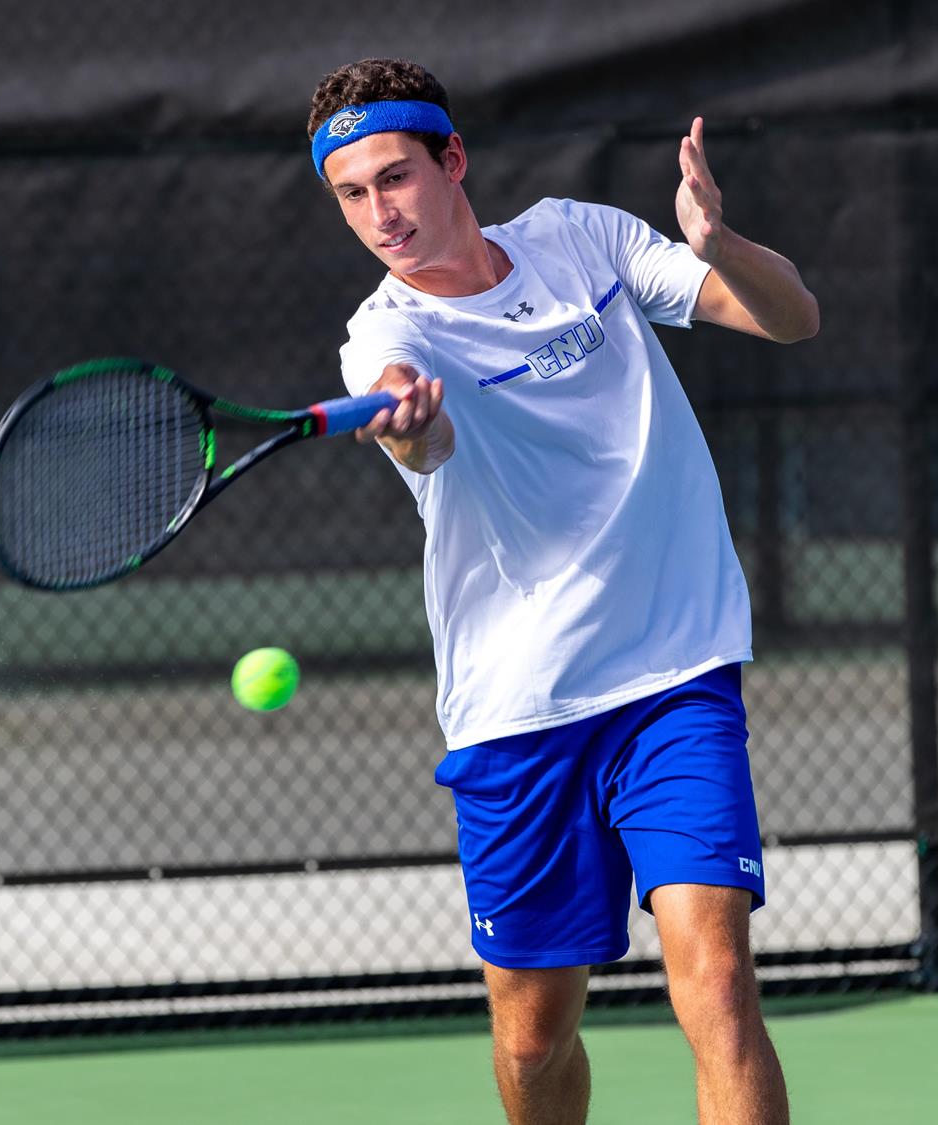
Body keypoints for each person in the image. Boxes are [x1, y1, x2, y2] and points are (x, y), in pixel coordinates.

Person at [310, 58, 816, 1125]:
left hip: (672, 675)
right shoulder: (383, 338)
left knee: (718, 986)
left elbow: (789, 319)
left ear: (452, 160)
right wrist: (408, 418)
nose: (378, 213)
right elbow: (421, 432)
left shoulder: (578, 239)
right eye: (350, 195)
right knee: (532, 1043)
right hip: (517, 710)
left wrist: (718, 247)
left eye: (393, 177)